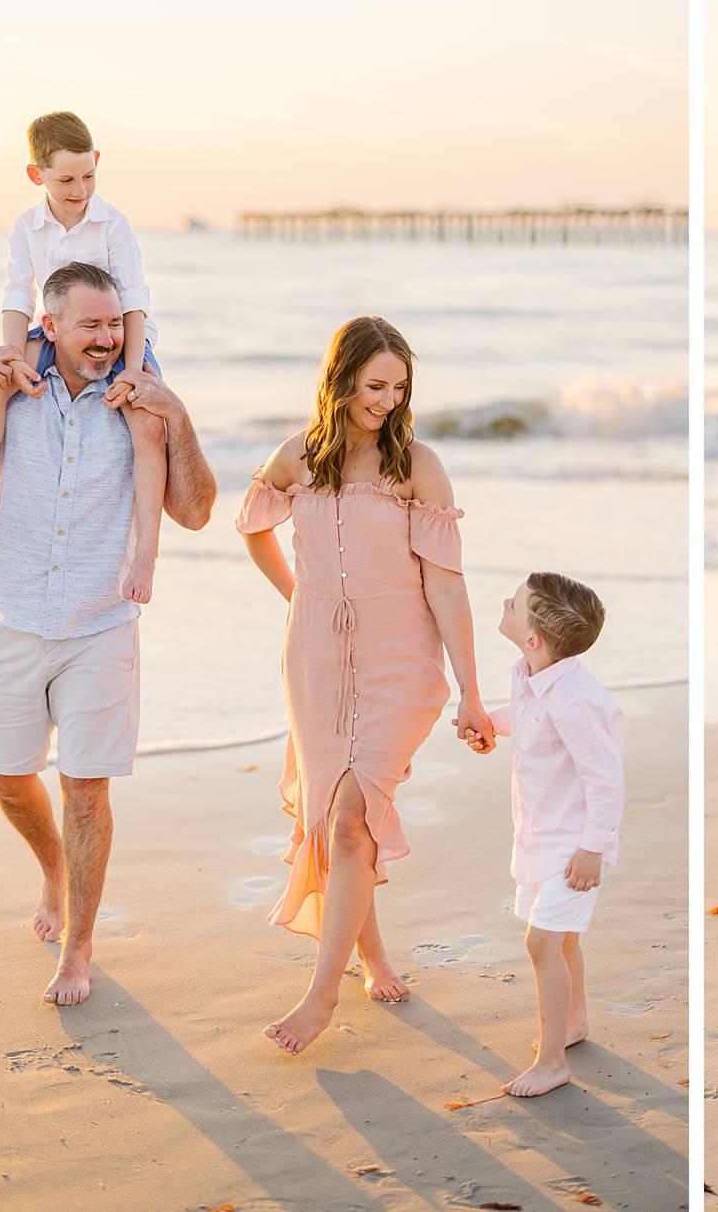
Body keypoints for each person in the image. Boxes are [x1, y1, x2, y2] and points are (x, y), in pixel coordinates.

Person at [0, 262, 215, 1007]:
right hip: (10, 617)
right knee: (9, 778)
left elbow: (196, 512)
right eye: (91, 326)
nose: (107, 339)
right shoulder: (9, 393)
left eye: (115, 324)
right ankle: (54, 868)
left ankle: (78, 948)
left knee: (84, 789)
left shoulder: (138, 401)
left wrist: (181, 419)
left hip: (100, 623)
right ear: (50, 327)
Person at [237, 315, 493, 1055]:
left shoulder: (417, 465)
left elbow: (447, 588)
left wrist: (470, 690)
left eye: (399, 388)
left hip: (400, 660)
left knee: (353, 806)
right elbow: (252, 526)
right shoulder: (299, 458)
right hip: (314, 656)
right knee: (340, 818)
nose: (387, 400)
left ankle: (320, 997)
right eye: (375, 385)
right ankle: (372, 957)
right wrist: (299, 596)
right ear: (341, 379)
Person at [0, 111, 168, 607]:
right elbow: (17, 294)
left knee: (148, 420)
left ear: (98, 164)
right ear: (36, 175)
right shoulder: (28, 226)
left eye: (89, 176)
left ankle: (147, 550)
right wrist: (10, 357)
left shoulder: (112, 222)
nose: (79, 189)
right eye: (66, 179)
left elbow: (133, 299)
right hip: (52, 331)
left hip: (119, 332)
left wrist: (132, 368)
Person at [459, 572, 624, 1098]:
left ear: (534, 638)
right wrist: (491, 724)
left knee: (541, 944)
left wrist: (593, 847)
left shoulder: (575, 698)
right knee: (563, 937)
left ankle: (552, 1059)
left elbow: (605, 777)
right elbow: (530, 719)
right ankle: (574, 1023)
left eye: (517, 603)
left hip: (573, 845)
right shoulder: (530, 672)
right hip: (538, 833)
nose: (505, 602)